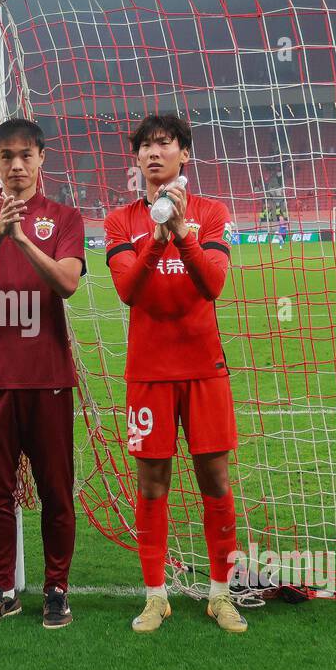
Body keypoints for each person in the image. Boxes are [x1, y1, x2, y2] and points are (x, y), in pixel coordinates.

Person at [103, 115, 246, 634]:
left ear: (184, 154)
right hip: (148, 372)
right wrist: (158, 240)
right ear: (137, 159)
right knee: (152, 482)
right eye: (145, 146)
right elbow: (128, 291)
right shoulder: (120, 221)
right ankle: (155, 595)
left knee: (215, 478)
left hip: (204, 369)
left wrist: (180, 231)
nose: (154, 152)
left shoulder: (211, 213)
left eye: (165, 143)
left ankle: (221, 594)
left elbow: (212, 284)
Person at [0, 118, 85, 629]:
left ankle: (56, 589)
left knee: (55, 489)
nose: (16, 166)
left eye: (26, 155)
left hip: (48, 376)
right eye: (6, 156)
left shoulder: (64, 217)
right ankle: (2, 588)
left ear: (41, 159)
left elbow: (68, 283)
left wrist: (24, 240)